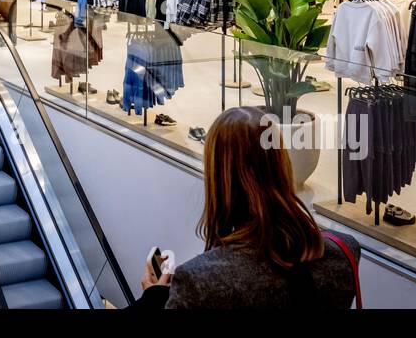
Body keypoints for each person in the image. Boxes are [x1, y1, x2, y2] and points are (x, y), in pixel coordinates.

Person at [136, 107, 361, 309]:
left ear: (218, 179)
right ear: (281, 163)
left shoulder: (199, 283)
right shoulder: (345, 251)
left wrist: (153, 299)